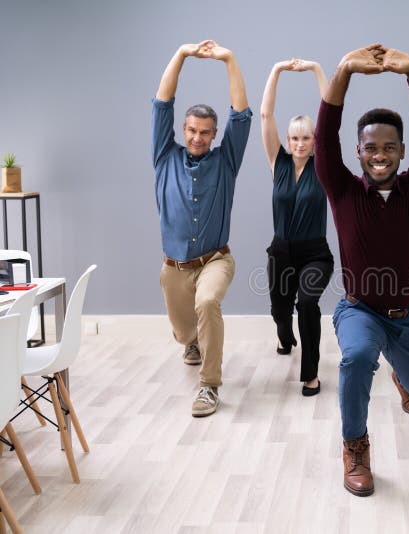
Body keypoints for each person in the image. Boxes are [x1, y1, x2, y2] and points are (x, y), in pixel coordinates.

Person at [314, 43, 409, 496]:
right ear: (359, 151)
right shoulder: (343, 190)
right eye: (371, 147)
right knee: (356, 356)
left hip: (407, 317)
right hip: (359, 311)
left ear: (402, 151)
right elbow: (323, 136)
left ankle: (402, 374)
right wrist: (344, 69)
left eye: (390, 147)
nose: (380, 154)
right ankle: (355, 447)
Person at [151, 40, 252, 417]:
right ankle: (190, 342)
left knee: (208, 302)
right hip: (174, 267)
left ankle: (209, 387)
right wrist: (180, 53)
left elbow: (240, 115)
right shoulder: (164, 156)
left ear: (213, 135)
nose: (197, 137)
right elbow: (162, 103)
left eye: (205, 132)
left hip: (216, 260)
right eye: (192, 130)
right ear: (183, 130)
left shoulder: (226, 162)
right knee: (182, 331)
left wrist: (229, 58)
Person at [260, 59, 334, 397]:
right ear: (287, 140)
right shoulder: (278, 162)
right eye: (294, 138)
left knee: (307, 304)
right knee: (279, 310)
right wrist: (276, 72)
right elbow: (265, 116)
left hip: (315, 253)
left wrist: (317, 70)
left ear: (315, 140)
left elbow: (332, 116)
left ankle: (311, 375)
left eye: (306, 138)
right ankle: (284, 335)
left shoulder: (325, 167)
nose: (299, 144)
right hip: (281, 250)